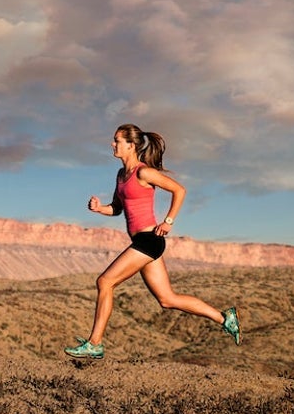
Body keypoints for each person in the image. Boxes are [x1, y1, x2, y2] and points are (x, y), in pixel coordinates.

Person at [65, 123, 241, 360]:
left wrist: (168, 221)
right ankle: (224, 318)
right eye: (114, 140)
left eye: (117, 140)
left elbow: (180, 191)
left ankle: (95, 344)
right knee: (167, 300)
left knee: (105, 282)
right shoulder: (121, 175)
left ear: (132, 145)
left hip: (149, 240)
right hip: (144, 243)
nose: (112, 144)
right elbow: (117, 208)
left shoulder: (143, 172)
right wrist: (99, 209)